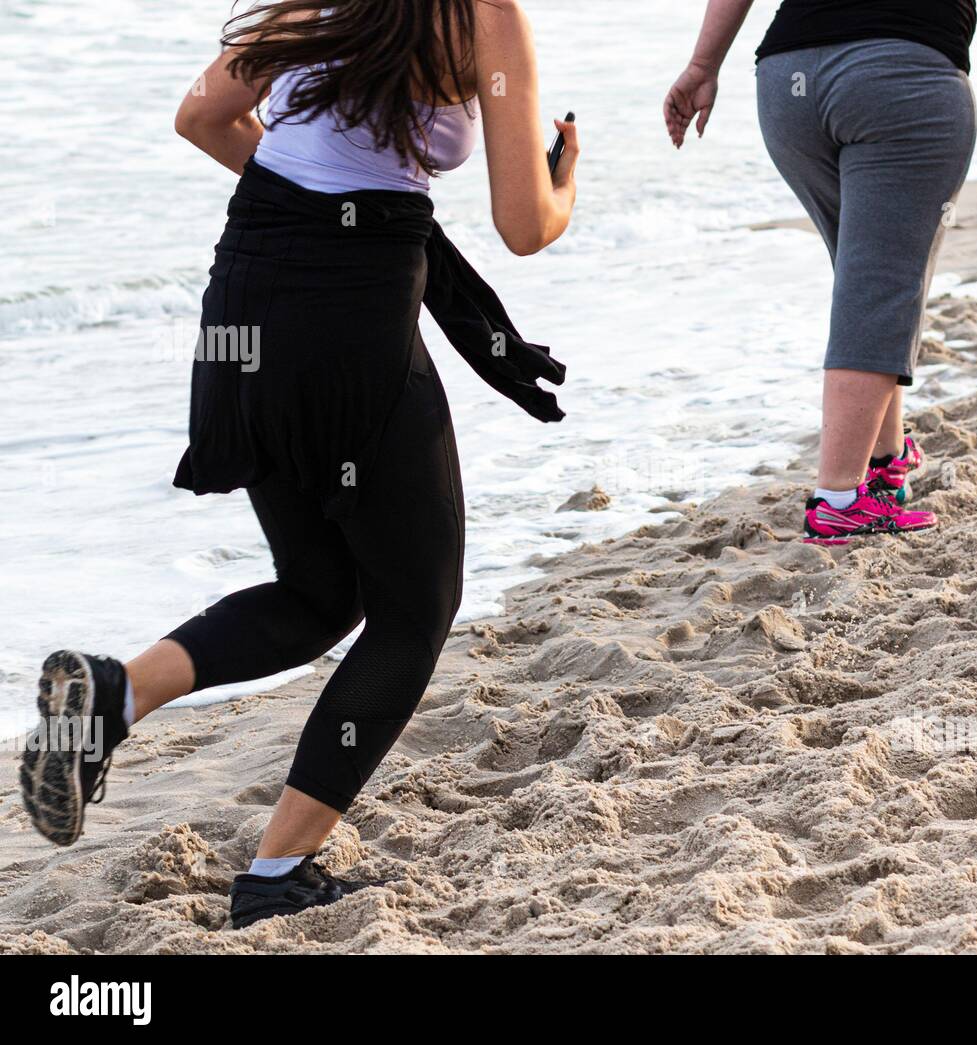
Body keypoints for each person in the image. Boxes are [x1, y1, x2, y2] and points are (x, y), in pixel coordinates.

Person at [18, 0, 579, 929]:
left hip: (243, 301)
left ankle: (113, 694)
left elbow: (199, 117)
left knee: (320, 590)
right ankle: (278, 870)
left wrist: (317, 201)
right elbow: (526, 225)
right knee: (415, 608)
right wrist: (568, 180)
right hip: (350, 324)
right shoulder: (488, 17)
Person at [664, 1, 977, 544]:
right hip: (902, 80)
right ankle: (837, 499)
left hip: (789, 83)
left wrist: (702, 65)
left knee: (866, 274)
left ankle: (885, 459)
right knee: (880, 284)